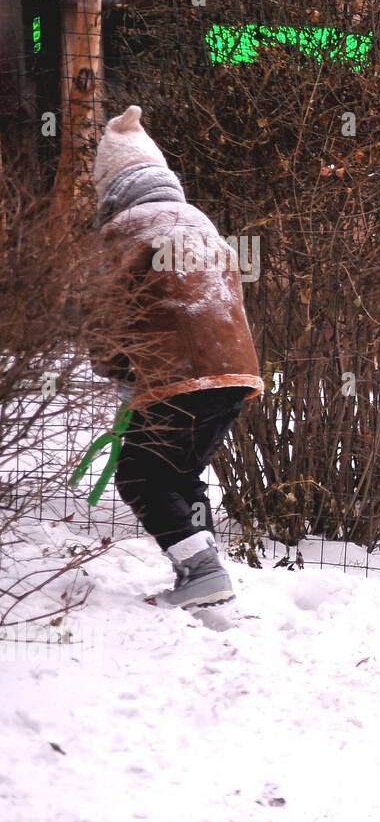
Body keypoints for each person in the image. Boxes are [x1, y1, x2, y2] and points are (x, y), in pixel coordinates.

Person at [91, 105, 263, 609]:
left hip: (179, 377)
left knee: (141, 475)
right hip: (234, 373)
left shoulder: (127, 231)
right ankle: (202, 573)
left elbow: (105, 317)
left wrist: (118, 371)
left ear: (115, 189)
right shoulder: (201, 224)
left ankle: (202, 571)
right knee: (179, 475)